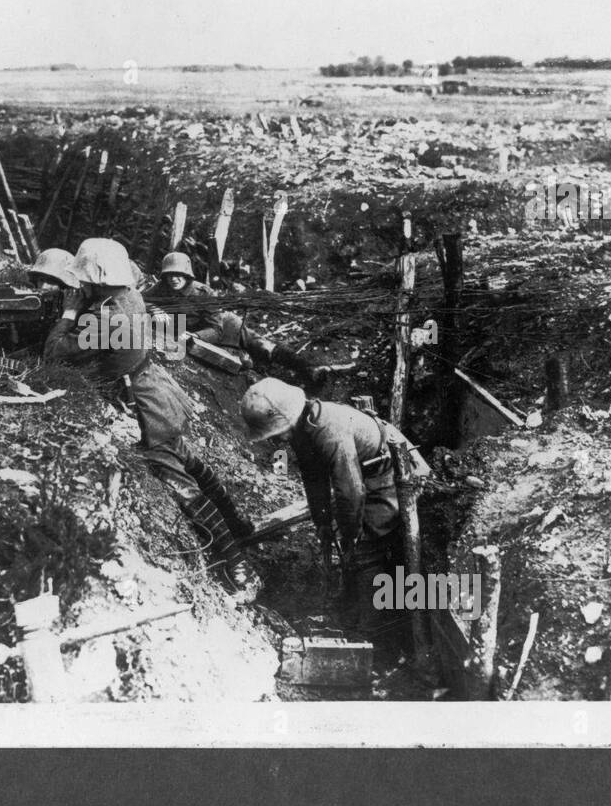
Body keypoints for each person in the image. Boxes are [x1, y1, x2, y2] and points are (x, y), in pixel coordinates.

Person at [44, 238, 258, 596]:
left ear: (95, 278)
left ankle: (239, 566)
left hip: (142, 403)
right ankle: (239, 525)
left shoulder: (107, 316)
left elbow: (55, 354)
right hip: (156, 385)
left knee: (179, 483)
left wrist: (68, 315)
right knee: (186, 455)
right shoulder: (130, 296)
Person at [240, 377, 406, 636]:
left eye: (278, 432)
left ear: (290, 417)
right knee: (351, 541)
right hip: (361, 474)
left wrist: (350, 535)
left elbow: (351, 491)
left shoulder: (330, 431)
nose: (279, 441)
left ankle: (373, 630)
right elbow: (313, 477)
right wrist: (323, 523)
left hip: (385, 472)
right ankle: (351, 605)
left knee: (366, 550)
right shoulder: (302, 428)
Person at [144, 251, 324, 389]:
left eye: (179, 274)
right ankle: (255, 365)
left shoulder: (203, 293)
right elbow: (141, 299)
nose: (174, 279)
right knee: (243, 364)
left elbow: (217, 330)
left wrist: (195, 336)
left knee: (263, 347)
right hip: (198, 336)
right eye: (170, 274)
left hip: (226, 327)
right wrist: (155, 310)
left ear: (187, 275)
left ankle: (307, 368)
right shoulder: (161, 288)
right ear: (164, 276)